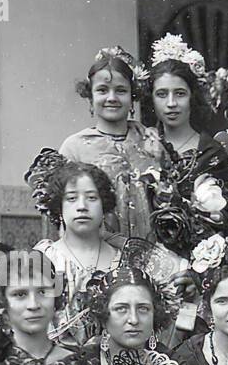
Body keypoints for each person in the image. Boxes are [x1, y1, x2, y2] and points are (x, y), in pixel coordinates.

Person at [59, 46, 163, 240]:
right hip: (98, 252)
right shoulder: (74, 148)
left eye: (121, 90)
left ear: (132, 99)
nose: (112, 98)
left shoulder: (150, 141)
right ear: (90, 98)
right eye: (102, 90)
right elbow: (65, 215)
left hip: (149, 250)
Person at [32, 161, 122, 343]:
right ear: (59, 207)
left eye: (91, 198)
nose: (82, 206)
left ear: (104, 205)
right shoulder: (45, 258)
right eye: (72, 198)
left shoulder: (122, 258)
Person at [143, 34, 219, 159]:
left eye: (180, 93)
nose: (171, 103)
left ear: (192, 96)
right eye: (162, 94)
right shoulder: (139, 143)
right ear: (152, 98)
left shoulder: (211, 152)